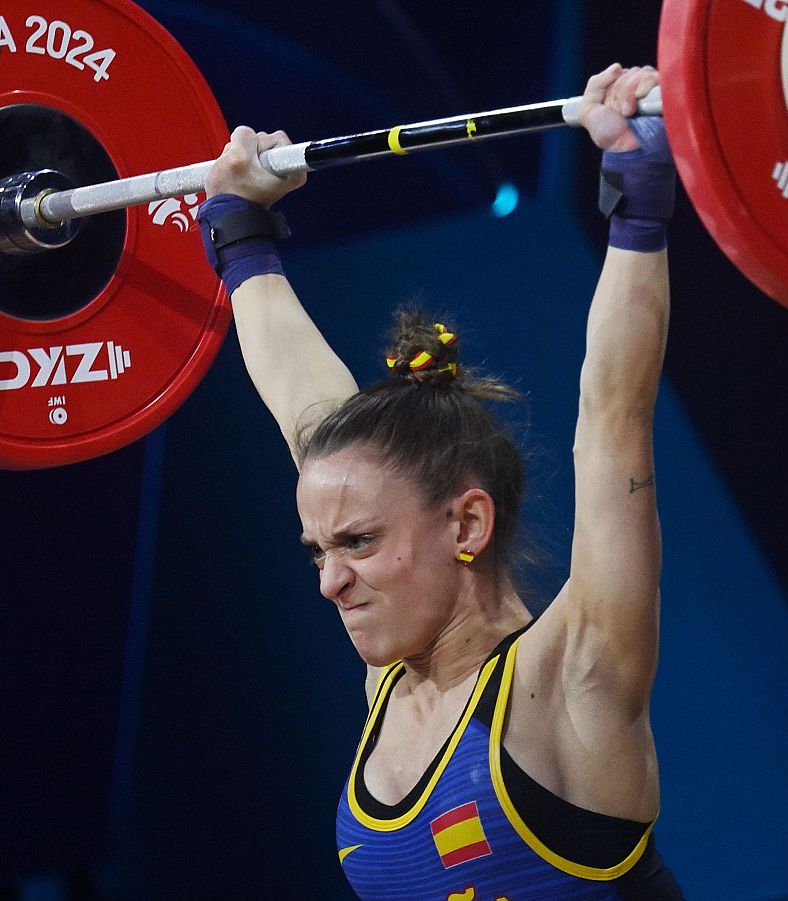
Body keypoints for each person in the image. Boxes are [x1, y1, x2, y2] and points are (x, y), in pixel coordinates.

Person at [199, 64, 684, 900]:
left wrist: (637, 199)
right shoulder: (392, 681)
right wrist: (242, 234)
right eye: (318, 549)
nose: (329, 581)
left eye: (357, 542)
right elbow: (304, 412)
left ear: (466, 524)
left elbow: (614, 417)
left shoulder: (575, 676)